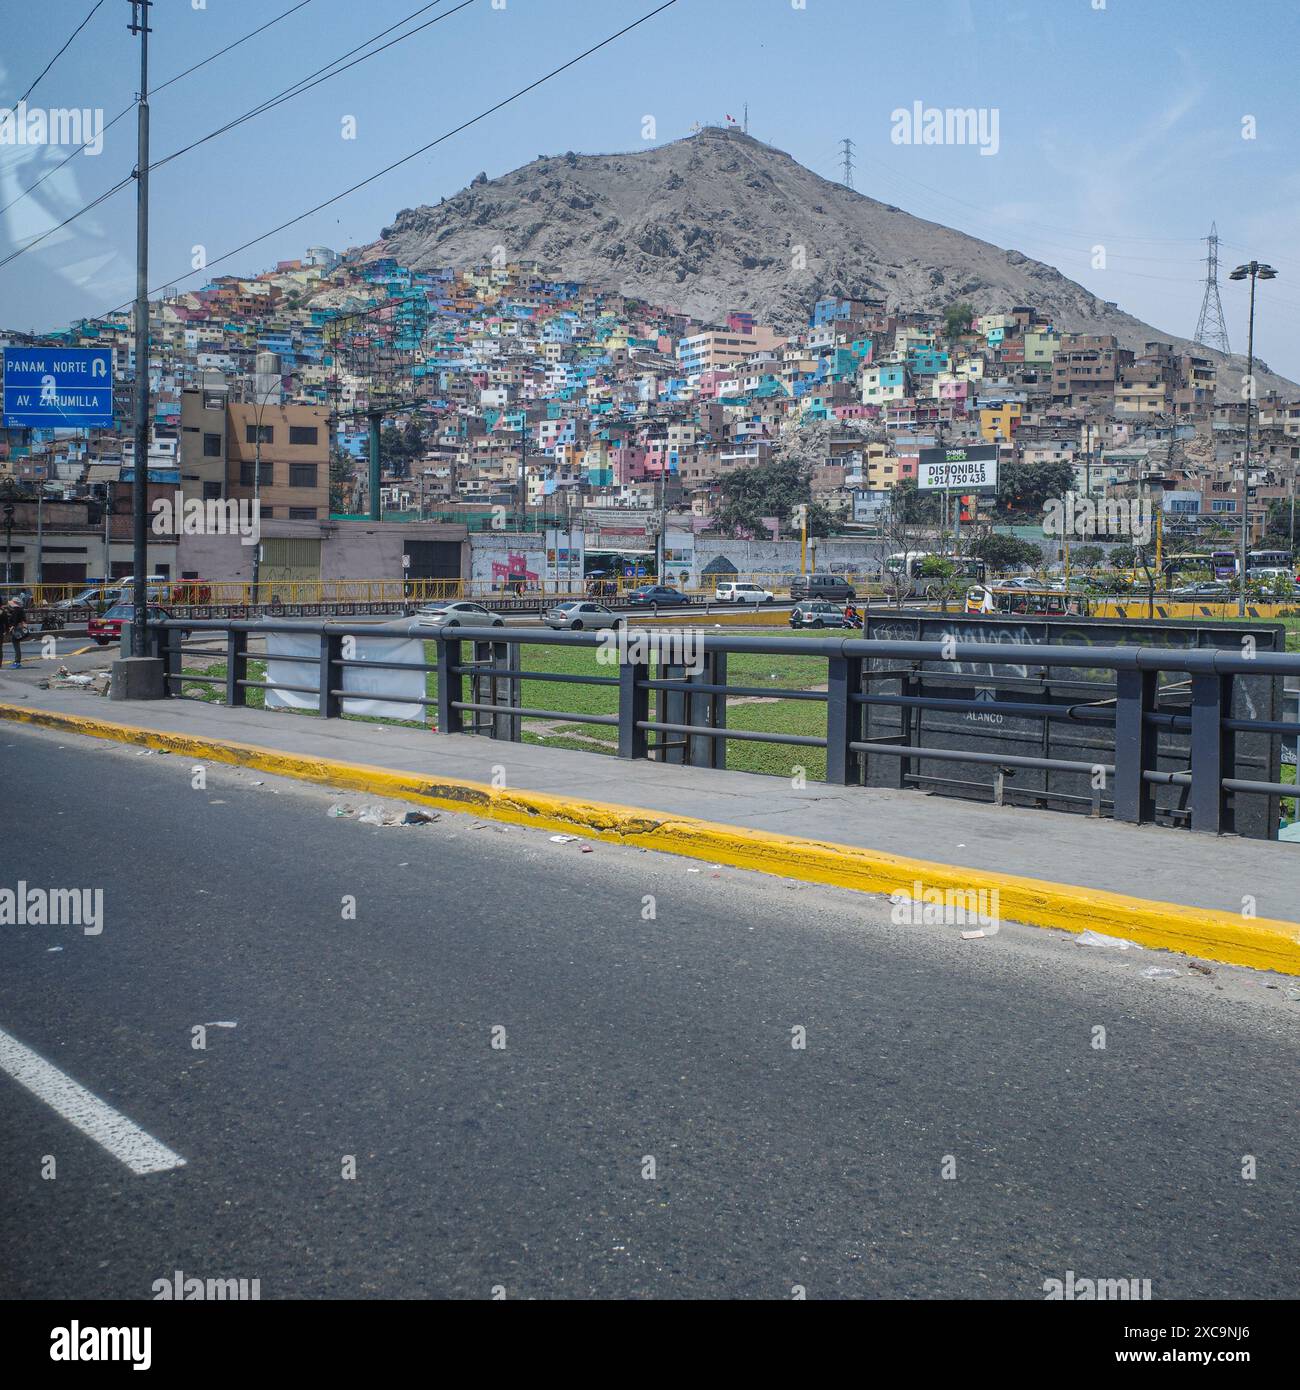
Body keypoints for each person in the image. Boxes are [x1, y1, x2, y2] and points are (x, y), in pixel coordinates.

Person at [3, 596, 27, 668]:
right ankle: (17, 661)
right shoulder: (20, 610)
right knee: (17, 645)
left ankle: (17, 662)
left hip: (16, 629)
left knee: (16, 645)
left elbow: (15, 620)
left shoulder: (16, 610)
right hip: (18, 629)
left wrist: (12, 626)